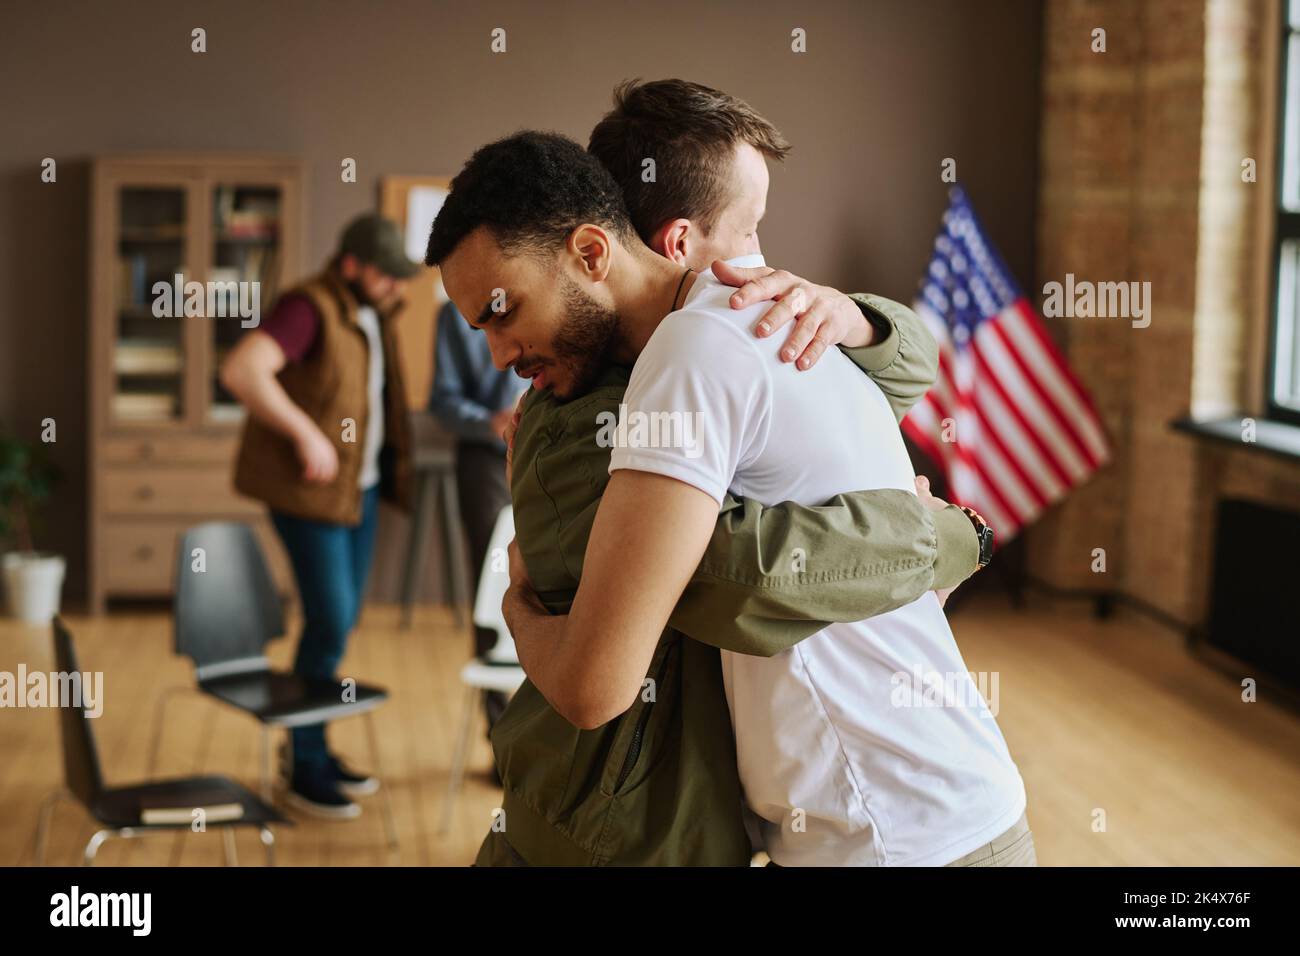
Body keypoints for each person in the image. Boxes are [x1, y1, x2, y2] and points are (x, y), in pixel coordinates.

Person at [428, 124, 1028, 867]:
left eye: (503, 311)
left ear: (592, 252)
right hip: (862, 822)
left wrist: (859, 317)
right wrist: (939, 542)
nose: (754, 263)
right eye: (743, 228)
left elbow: (725, 574)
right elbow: (732, 572)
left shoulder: (733, 339)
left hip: (907, 828)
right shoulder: (618, 395)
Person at [220, 214, 419, 819]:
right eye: (386, 276)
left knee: (337, 621)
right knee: (331, 620)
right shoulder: (306, 306)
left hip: (355, 493)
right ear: (352, 265)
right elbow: (242, 370)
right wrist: (307, 435)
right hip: (311, 498)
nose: (395, 288)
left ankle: (312, 747)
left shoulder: (368, 312)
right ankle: (304, 762)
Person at [428, 299, 521, 734]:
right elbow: (442, 400)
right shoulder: (453, 315)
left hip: (556, 451)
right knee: (494, 583)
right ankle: (499, 730)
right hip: (486, 462)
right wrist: (489, 421)